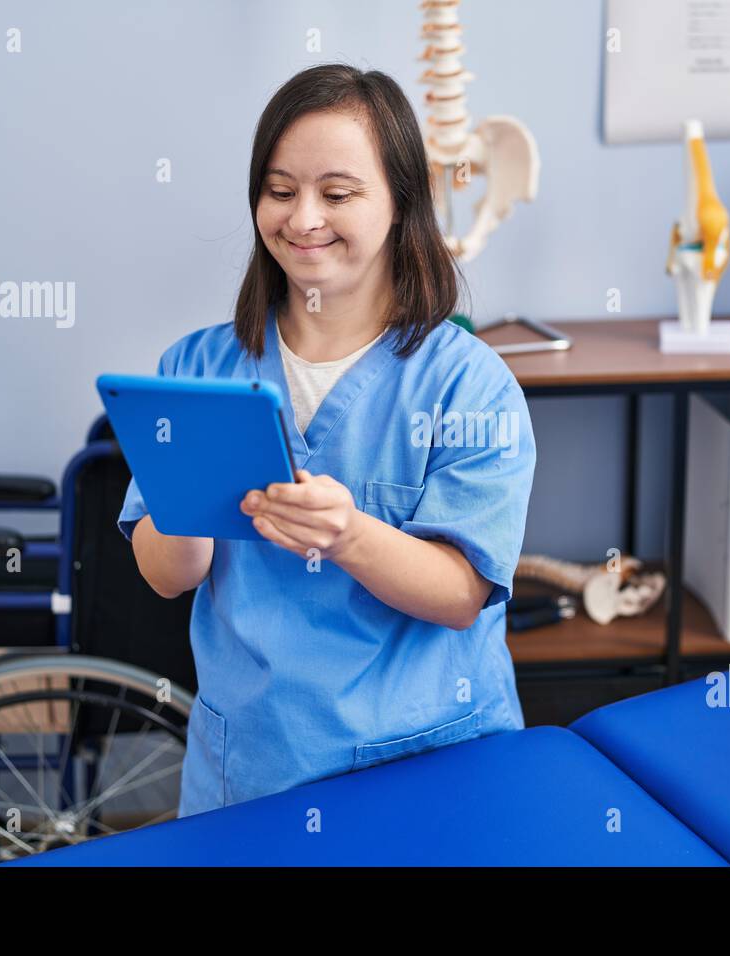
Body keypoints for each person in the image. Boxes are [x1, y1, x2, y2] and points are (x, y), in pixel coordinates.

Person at [118, 63, 536, 817]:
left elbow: (462, 594)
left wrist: (348, 536)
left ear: (402, 203)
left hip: (420, 765)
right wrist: (189, 509)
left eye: (337, 194)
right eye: (280, 191)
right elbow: (163, 575)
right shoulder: (198, 369)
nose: (303, 218)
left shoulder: (468, 385)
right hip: (253, 768)